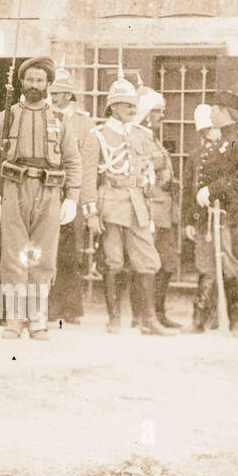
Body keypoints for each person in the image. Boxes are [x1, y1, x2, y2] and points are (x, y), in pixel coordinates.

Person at [0, 56, 81, 339]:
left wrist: (71, 197)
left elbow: (73, 162)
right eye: (30, 79)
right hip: (14, 188)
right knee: (13, 256)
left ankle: (37, 318)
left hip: (49, 192)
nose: (34, 85)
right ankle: (14, 318)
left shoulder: (61, 120)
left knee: (43, 258)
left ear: (48, 84)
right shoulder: (8, 116)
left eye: (40, 80)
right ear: (22, 82)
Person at [80, 78, 174, 336]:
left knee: (148, 261)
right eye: (126, 105)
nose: (133, 110)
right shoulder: (97, 135)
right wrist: (90, 213)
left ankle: (148, 320)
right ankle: (114, 318)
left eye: (134, 105)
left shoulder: (141, 134)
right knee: (114, 262)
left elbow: (154, 166)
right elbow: (87, 176)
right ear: (113, 107)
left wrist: (151, 172)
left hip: (138, 205)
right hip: (110, 204)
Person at [186, 91, 238, 336]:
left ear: (224, 111)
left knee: (234, 266)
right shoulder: (216, 144)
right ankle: (199, 320)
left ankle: (237, 321)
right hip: (210, 217)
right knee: (207, 267)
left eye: (214, 108)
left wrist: (213, 188)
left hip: (232, 216)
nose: (211, 112)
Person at [46, 67, 94, 325]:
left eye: (60, 94)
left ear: (69, 96)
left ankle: (72, 307)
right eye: (52, 93)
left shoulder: (83, 122)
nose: (55, 98)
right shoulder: (46, 116)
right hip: (49, 188)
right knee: (49, 249)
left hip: (72, 190)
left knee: (71, 253)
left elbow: (86, 161)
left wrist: (81, 197)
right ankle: (51, 306)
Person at [136, 85, 183, 328]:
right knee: (151, 264)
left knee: (167, 263)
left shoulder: (152, 137)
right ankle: (147, 316)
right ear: (145, 112)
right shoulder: (137, 137)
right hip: (150, 211)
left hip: (164, 211)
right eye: (157, 111)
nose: (162, 115)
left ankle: (158, 313)